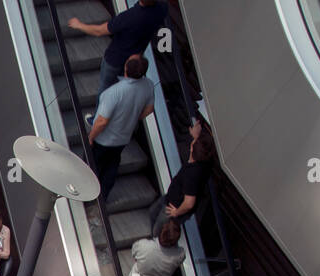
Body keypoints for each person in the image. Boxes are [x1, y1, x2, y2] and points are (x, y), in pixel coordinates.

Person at [88, 54, 155, 200]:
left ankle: (86, 194)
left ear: (125, 69)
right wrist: (132, 118)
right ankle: (102, 198)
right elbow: (149, 109)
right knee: (111, 168)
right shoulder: (149, 85)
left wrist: (91, 137)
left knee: (91, 167)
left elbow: (101, 122)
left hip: (103, 140)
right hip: (123, 138)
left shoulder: (113, 93)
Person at [68, 0, 168, 95]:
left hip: (114, 61)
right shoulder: (162, 9)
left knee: (105, 92)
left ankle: (101, 112)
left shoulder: (130, 17)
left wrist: (79, 25)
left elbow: (99, 31)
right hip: (134, 62)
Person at [150, 117, 214, 235]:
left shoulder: (192, 175)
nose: (193, 141)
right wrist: (196, 135)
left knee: (157, 230)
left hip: (172, 208)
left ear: (191, 149)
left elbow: (189, 203)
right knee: (152, 213)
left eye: (194, 142)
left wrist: (176, 212)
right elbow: (203, 148)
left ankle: (155, 243)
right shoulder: (203, 159)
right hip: (170, 198)